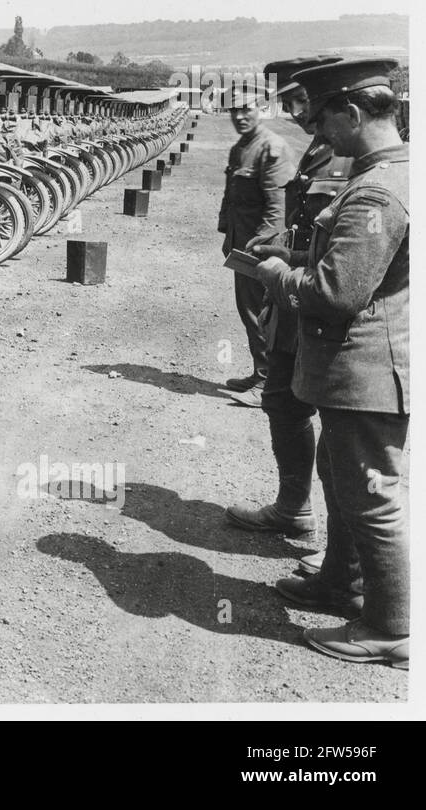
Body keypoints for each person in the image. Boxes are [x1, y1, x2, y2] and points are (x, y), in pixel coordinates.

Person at [255, 58, 408, 669]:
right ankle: (340, 584)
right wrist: (298, 251)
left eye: (323, 120)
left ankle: (394, 628)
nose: (318, 135)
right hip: (366, 370)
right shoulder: (393, 173)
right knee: (344, 479)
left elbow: (337, 292)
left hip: (367, 371)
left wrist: (279, 273)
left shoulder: (375, 188)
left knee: (372, 497)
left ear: (351, 111)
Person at [224, 56, 346, 534]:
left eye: (302, 101)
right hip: (297, 296)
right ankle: (294, 507)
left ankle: (342, 557)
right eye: (289, 102)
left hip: (321, 306)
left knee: (339, 430)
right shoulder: (320, 148)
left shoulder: (344, 155)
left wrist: (284, 260)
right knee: (281, 400)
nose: (297, 112)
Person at [217, 91, 291, 399]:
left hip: (261, 246)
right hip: (241, 242)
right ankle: (261, 372)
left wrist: (257, 247)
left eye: (246, 109)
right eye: (234, 111)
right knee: (248, 310)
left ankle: (269, 382)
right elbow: (230, 197)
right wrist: (227, 234)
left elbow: (277, 208)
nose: (239, 116)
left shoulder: (271, 148)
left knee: (263, 313)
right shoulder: (240, 148)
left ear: (261, 108)